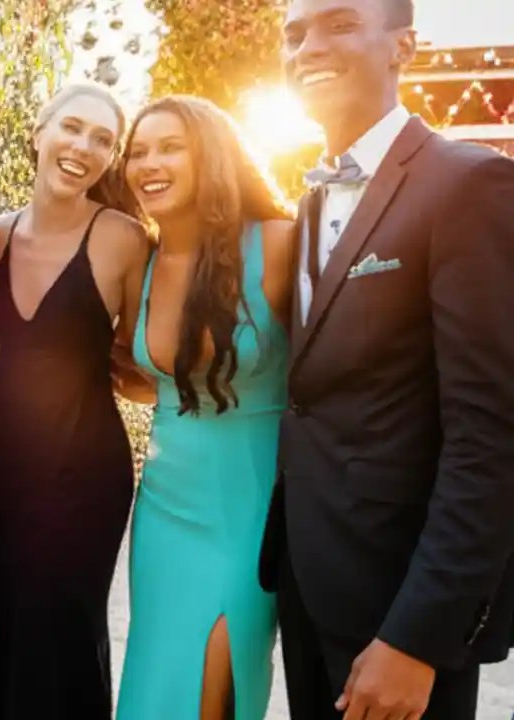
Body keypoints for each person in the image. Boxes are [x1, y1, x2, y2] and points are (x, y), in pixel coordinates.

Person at [260, 1, 514, 718]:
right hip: (309, 587)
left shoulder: (468, 185)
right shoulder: (310, 199)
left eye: (340, 24)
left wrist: (420, 637)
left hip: (399, 610)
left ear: (404, 46)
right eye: (294, 33)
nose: (307, 47)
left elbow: (490, 435)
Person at [0, 82, 150, 719]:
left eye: (103, 140)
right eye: (71, 128)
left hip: (86, 469)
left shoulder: (124, 238)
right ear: (38, 132)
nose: (83, 147)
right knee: (2, 615)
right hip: (9, 463)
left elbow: (145, 359)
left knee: (63, 631)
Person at [115, 95, 294, 720]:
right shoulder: (141, 262)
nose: (149, 163)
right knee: (160, 673)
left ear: (213, 157)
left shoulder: (278, 244)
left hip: (251, 505)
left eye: (170, 147)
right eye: (137, 152)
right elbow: (154, 382)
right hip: (165, 506)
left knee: (222, 676)